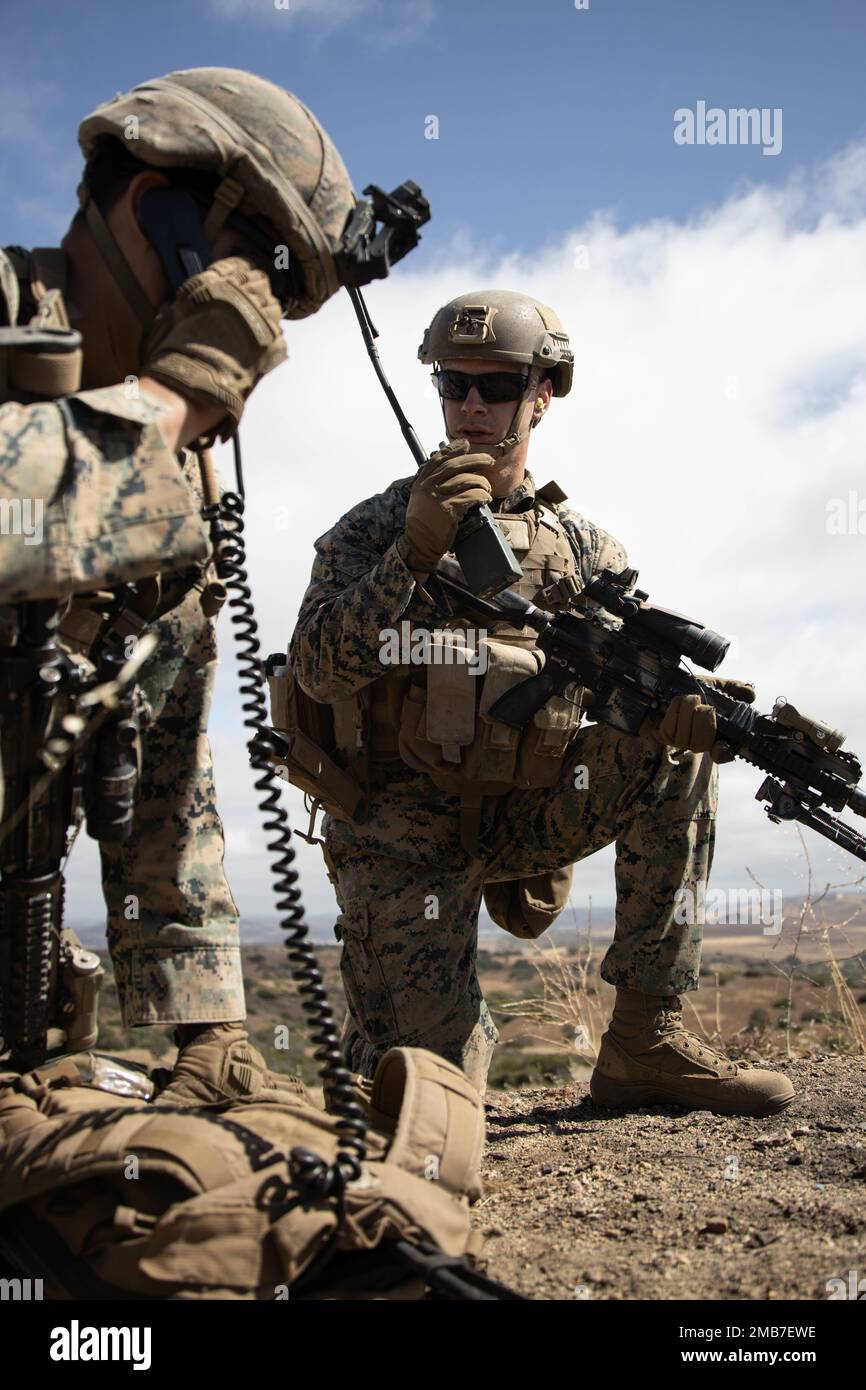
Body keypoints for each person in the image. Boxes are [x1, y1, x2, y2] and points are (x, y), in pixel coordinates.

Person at [287, 289, 794, 1116]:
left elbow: (614, 684)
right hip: (400, 831)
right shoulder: (373, 528)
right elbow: (316, 669)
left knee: (676, 747)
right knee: (434, 1097)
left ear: (542, 394)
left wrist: (673, 711)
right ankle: (393, 1047)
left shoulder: (585, 549)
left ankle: (643, 1041)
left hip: (529, 813)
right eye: (455, 386)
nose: (473, 408)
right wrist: (410, 556)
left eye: (499, 386)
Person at [0, 67, 360, 1100]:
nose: (259, 322)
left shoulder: (177, 494)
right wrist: (166, 402)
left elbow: (163, 772)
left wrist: (207, 1036)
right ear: (156, 206)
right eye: (250, 268)